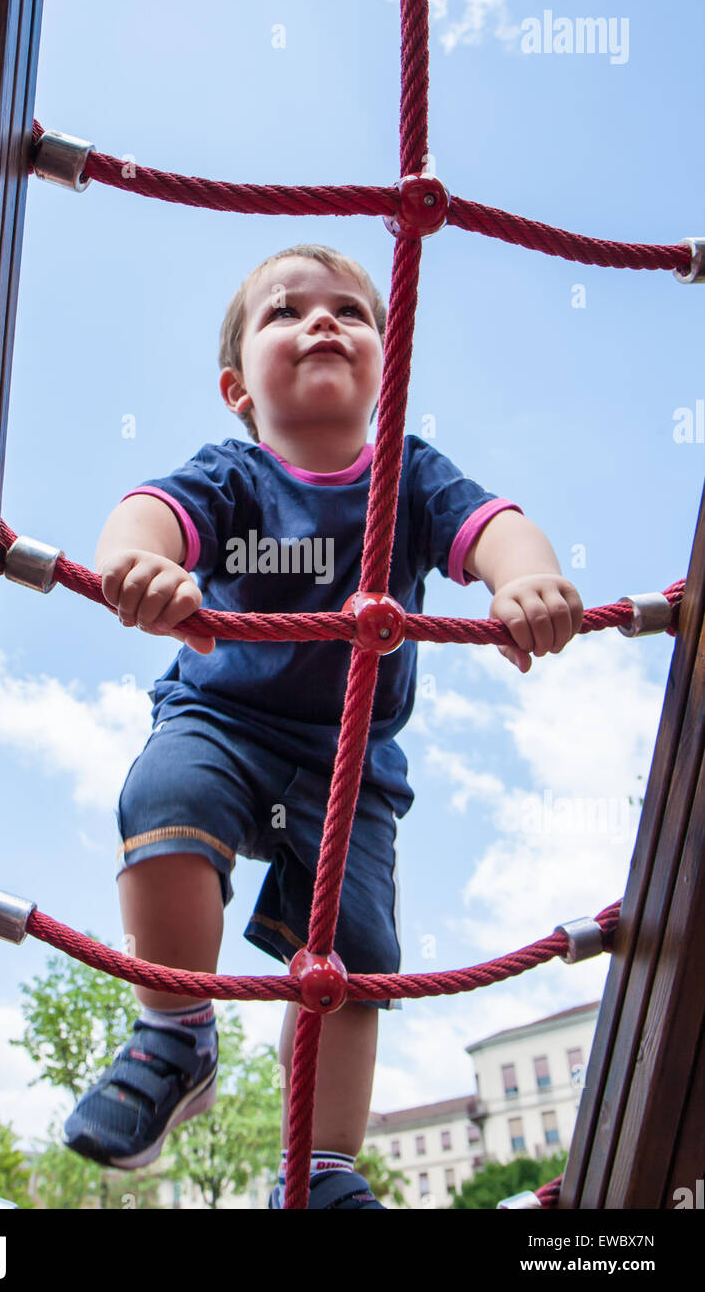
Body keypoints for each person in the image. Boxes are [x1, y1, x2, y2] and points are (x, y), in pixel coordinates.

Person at [63, 243, 584, 1209]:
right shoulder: (235, 475)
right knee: (162, 800)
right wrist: (142, 564)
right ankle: (175, 1029)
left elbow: (496, 524)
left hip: (353, 761)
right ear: (236, 387)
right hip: (221, 717)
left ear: (386, 368)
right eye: (286, 312)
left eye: (350, 310)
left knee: (348, 957)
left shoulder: (407, 478)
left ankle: (320, 1166)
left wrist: (527, 575)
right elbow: (148, 514)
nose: (322, 323)